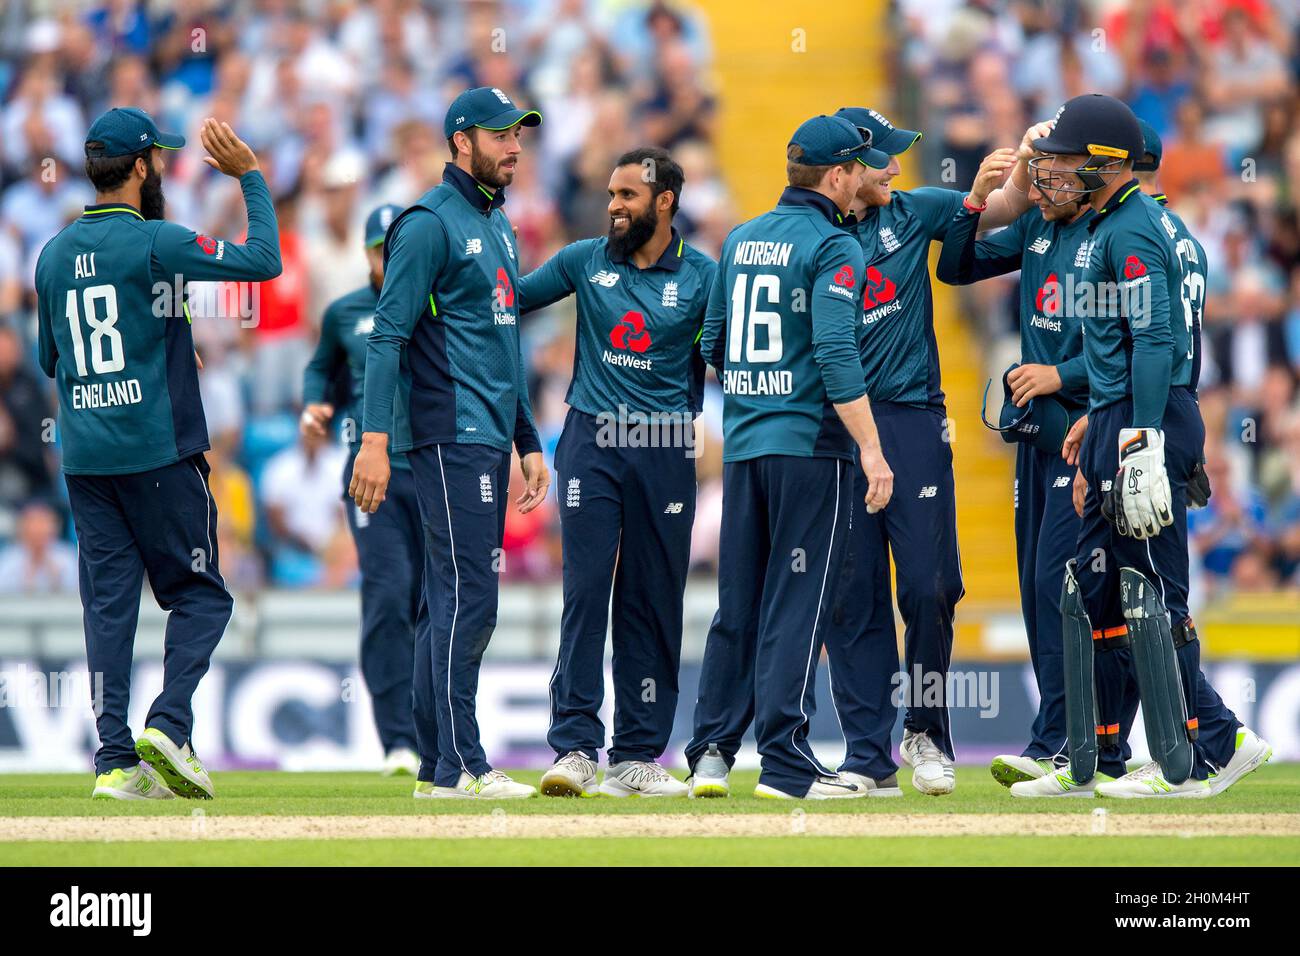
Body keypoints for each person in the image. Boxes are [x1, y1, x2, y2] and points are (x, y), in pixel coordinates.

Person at [1026, 94, 1269, 799]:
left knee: (1147, 590)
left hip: (1148, 419)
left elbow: (1158, 339)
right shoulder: (1108, 225)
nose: (1059, 172)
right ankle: (1089, 759)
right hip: (1119, 418)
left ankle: (1204, 750)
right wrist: (1098, 426)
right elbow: (1116, 351)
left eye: (1071, 160)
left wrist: (1137, 437)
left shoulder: (1131, 231)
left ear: (1106, 163)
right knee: (1092, 586)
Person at [35, 108, 281, 800]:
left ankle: (115, 761)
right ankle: (170, 723)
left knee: (108, 608)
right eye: (159, 159)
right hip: (157, 452)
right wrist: (251, 177)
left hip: (86, 459)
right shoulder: (153, 241)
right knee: (201, 596)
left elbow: (52, 360)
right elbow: (264, 261)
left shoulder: (51, 254)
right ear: (141, 167)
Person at [820, 106, 1036, 796]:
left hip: (913, 421)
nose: (894, 167)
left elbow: (1000, 207)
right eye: (882, 157)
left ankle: (927, 732)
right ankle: (864, 754)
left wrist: (1019, 163)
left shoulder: (916, 211)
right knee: (854, 596)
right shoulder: (808, 229)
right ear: (846, 169)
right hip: (837, 427)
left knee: (930, 585)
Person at [685, 115, 895, 801]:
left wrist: (759, 384)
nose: (866, 175)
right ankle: (784, 762)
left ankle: (711, 752)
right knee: (798, 605)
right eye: (860, 166)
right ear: (836, 176)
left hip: (745, 448)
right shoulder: (836, 247)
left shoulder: (741, 238)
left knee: (737, 604)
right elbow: (837, 354)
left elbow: (712, 344)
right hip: (809, 448)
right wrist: (871, 448)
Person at [350, 87, 551, 800]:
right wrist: (375, 440)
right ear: (460, 141)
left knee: (452, 601)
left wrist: (527, 437)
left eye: (519, 133)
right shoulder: (427, 224)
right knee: (470, 599)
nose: (515, 145)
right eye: (500, 134)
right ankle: (464, 763)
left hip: (489, 436)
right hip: (445, 434)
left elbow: (502, 342)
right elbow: (388, 337)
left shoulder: (500, 226)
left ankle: (441, 768)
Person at [517, 146, 714, 798]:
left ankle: (636, 755)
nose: (612, 207)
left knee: (652, 599)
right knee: (586, 591)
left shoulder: (705, 278)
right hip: (592, 442)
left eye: (626, 196)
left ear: (664, 202)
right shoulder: (584, 259)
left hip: (665, 450)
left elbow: (727, 357)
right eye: (610, 194)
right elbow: (507, 304)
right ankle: (574, 747)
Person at [935, 147, 1096, 787]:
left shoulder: (1107, 237)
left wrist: (1063, 373)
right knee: (1036, 585)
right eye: (1037, 168)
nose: (1040, 180)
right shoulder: (1034, 225)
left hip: (1084, 432)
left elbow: (1145, 347)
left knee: (1061, 582)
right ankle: (1056, 735)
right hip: (1037, 434)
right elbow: (955, 266)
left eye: (1052, 169)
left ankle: (1066, 739)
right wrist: (976, 200)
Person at [302, 202, 422, 777]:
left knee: (432, 603)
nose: (388, 258)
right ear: (367, 253)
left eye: (396, 247)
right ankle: (397, 738)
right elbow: (320, 368)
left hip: (429, 467)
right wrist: (314, 404)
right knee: (387, 596)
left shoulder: (434, 304)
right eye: (380, 248)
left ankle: (434, 734)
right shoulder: (345, 311)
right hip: (370, 476)